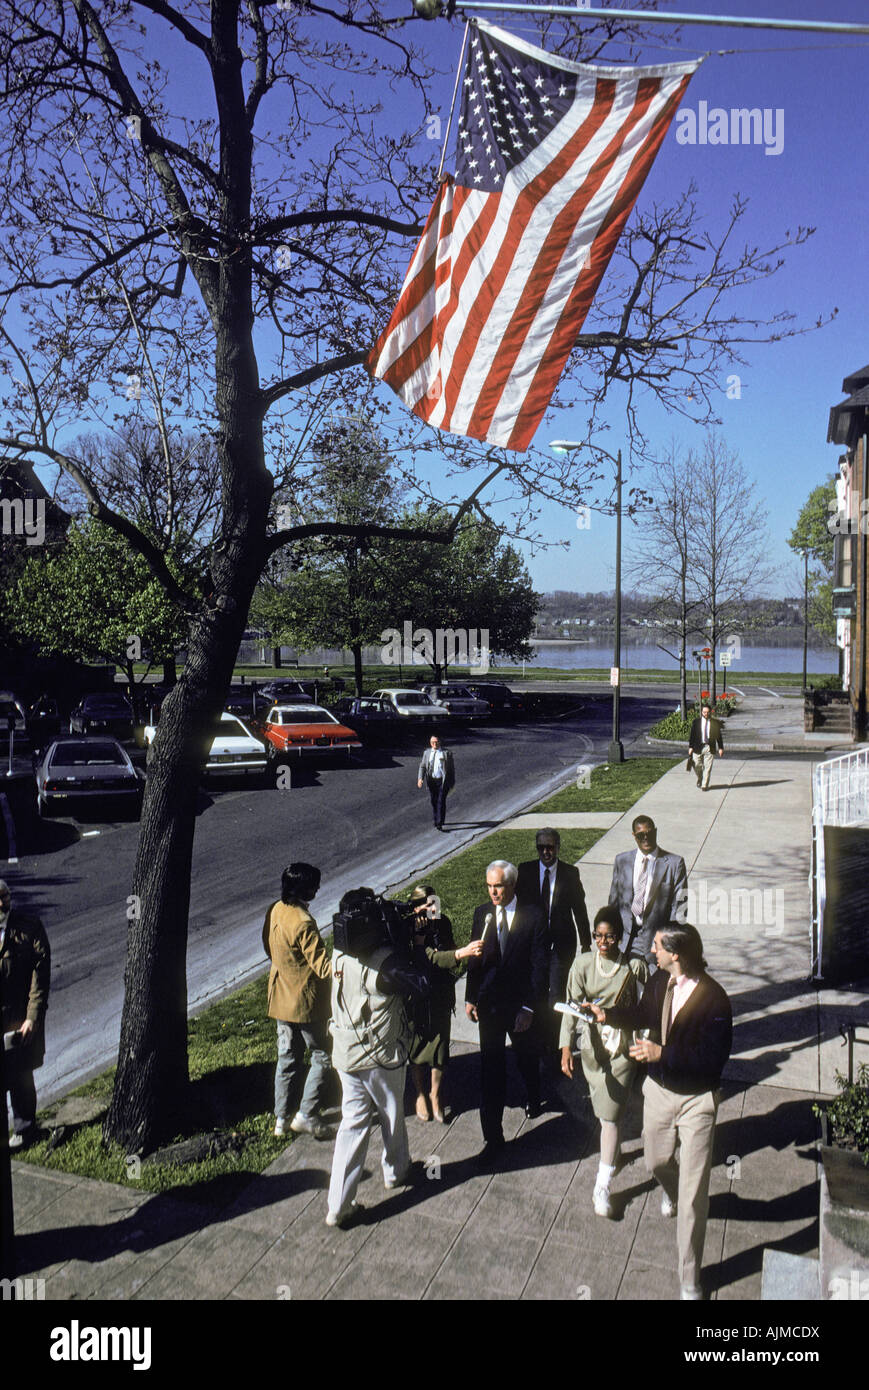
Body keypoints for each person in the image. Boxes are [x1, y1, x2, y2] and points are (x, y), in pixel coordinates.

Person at [586, 923, 732, 1300]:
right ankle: (673, 1190)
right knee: (655, 1162)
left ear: (676, 953)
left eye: (656, 947)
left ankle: (690, 1280)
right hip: (659, 1093)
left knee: (693, 1196)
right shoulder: (657, 982)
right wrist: (607, 1016)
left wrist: (662, 1054)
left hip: (698, 1101)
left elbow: (712, 1060)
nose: (651, 952)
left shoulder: (715, 999)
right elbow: (640, 1014)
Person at [327, 888, 430, 1228]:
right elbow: (422, 983)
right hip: (380, 1056)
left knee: (352, 1125)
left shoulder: (338, 956)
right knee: (391, 1113)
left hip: (345, 1053)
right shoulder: (385, 963)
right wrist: (413, 942)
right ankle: (396, 1172)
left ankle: (338, 1206)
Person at [559, 906, 647, 1219]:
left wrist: (645, 1041)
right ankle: (616, 1153)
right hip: (592, 1052)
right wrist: (566, 1047)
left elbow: (647, 1008)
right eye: (598, 936)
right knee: (605, 1114)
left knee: (610, 1118)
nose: (603, 942)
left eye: (610, 936)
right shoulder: (582, 964)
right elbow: (570, 1008)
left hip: (622, 1051)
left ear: (620, 938)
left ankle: (602, 1185)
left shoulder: (633, 968)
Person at [464, 860, 548, 1163]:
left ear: (512, 885)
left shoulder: (533, 916)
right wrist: (470, 997)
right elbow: (475, 959)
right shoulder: (481, 914)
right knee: (491, 1070)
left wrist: (529, 1007)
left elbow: (539, 965)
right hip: (490, 1006)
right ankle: (493, 1137)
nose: (493, 891)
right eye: (489, 885)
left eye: (498, 885)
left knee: (526, 1057)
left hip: (520, 1005)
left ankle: (534, 1095)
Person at [262, 862, 333, 1140]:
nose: (317, 889)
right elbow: (323, 968)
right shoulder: (304, 922)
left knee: (287, 1058)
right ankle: (306, 1114)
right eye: (314, 885)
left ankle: (280, 1120)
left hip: (280, 997)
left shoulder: (276, 910)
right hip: (306, 1004)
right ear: (305, 889)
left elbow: (267, 945)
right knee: (322, 1056)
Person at [407, 883, 483, 1123]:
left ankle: (435, 1094)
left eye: (434, 902)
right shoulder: (408, 929)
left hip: (440, 993)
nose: (431, 908)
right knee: (417, 1048)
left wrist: (452, 952)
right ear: (415, 907)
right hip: (417, 996)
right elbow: (428, 958)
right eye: (425, 904)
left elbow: (446, 948)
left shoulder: (443, 922)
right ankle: (420, 1094)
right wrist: (460, 954)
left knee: (440, 1048)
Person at [517, 828, 591, 1052]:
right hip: (535, 946)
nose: (546, 852)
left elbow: (580, 909)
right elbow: (518, 908)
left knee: (557, 995)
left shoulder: (570, 873)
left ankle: (557, 1045)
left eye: (550, 847)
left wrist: (586, 943)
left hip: (561, 945)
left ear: (558, 847)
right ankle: (540, 1036)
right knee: (537, 990)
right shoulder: (526, 871)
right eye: (541, 847)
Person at [1, 879, 51, 1150]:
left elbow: (40, 972)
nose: (1, 904)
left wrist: (32, 1016)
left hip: (17, 1019)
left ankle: (24, 1131)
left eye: (4, 896)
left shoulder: (28, 927)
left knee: (20, 1077)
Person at [609, 817, 688, 967]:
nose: (645, 838)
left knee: (655, 988)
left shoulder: (674, 863)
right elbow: (613, 903)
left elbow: (680, 910)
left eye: (649, 833)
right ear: (634, 835)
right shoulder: (622, 861)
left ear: (656, 832)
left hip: (657, 942)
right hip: (627, 939)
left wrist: (669, 944)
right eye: (640, 835)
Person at [417, 734, 455, 831]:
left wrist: (452, 783)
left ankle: (439, 823)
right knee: (434, 801)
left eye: (436, 742)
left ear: (440, 742)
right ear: (430, 743)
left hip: (443, 781)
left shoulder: (446, 753)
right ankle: (438, 819)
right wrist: (420, 778)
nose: (435, 744)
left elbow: (451, 769)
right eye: (432, 742)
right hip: (431, 781)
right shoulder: (427, 753)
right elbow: (423, 766)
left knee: (440, 801)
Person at [688, 702, 724, 791]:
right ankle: (700, 778)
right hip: (697, 747)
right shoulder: (696, 722)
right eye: (704, 712)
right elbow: (692, 735)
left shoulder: (715, 723)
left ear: (710, 712)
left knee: (707, 768)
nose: (706, 714)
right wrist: (690, 747)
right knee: (697, 765)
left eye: (707, 712)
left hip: (709, 747)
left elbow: (718, 736)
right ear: (701, 712)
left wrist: (720, 748)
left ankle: (704, 785)